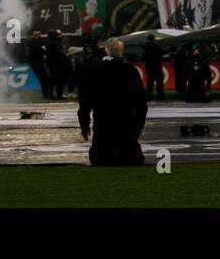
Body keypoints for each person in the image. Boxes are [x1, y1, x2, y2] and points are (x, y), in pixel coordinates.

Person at [77, 38, 147, 166]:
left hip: (103, 128)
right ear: (121, 51)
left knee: (100, 158)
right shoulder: (130, 71)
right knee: (132, 158)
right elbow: (141, 105)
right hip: (126, 127)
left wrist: (84, 125)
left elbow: (85, 102)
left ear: (106, 50)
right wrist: (137, 128)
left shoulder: (95, 71)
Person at [28, 31, 52, 99]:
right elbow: (40, 50)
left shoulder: (34, 43)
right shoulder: (35, 43)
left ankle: (45, 94)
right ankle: (46, 94)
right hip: (37, 64)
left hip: (37, 63)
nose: (39, 37)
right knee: (44, 79)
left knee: (44, 79)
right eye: (38, 36)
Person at [45, 31, 69, 99]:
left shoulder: (48, 42)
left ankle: (50, 94)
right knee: (59, 79)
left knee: (52, 78)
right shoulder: (55, 43)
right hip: (57, 63)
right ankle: (59, 95)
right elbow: (59, 52)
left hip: (50, 62)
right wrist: (65, 57)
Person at [142, 34, 165, 99]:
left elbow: (143, 57)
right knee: (159, 82)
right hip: (157, 66)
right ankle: (161, 95)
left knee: (150, 82)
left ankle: (148, 95)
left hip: (149, 67)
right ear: (154, 39)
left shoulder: (145, 47)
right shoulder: (157, 46)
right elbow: (163, 52)